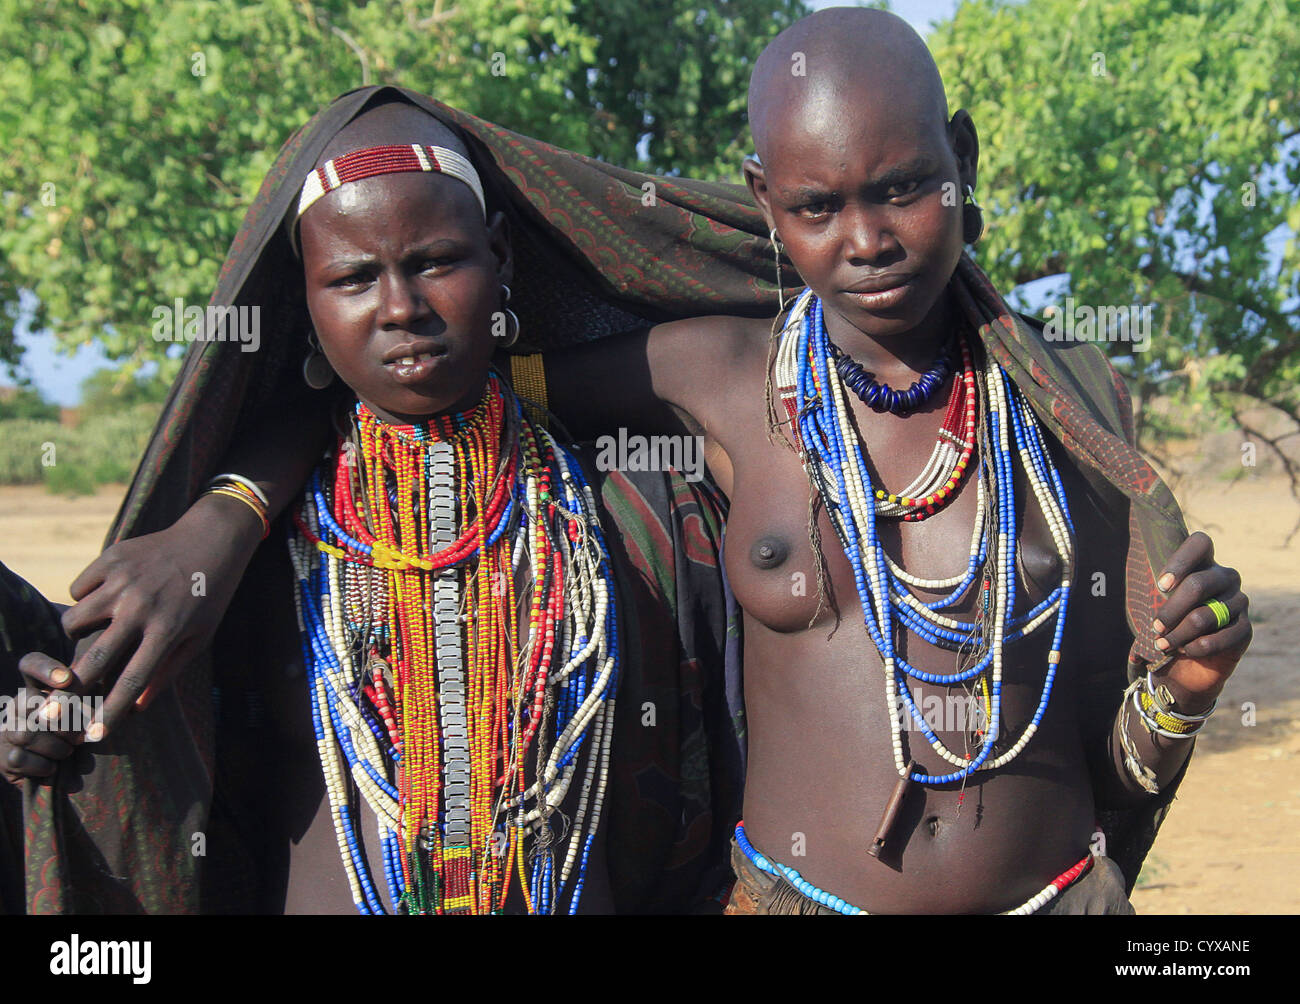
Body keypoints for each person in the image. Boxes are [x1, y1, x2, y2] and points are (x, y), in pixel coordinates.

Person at [8, 8, 1253, 915]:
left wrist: (1184, 684)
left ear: (962, 165)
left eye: (906, 189)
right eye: (817, 206)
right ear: (765, 204)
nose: (867, 238)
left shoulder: (1072, 408)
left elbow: (1118, 744)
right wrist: (224, 516)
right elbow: (408, 386)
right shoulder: (722, 380)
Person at [0, 88, 750, 914]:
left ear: (499, 256)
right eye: (354, 277)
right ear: (307, 304)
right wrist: (52, 726)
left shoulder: (627, 511)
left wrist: (238, 501)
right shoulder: (241, 562)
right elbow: (109, 739)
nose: (401, 309)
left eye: (435, 262)